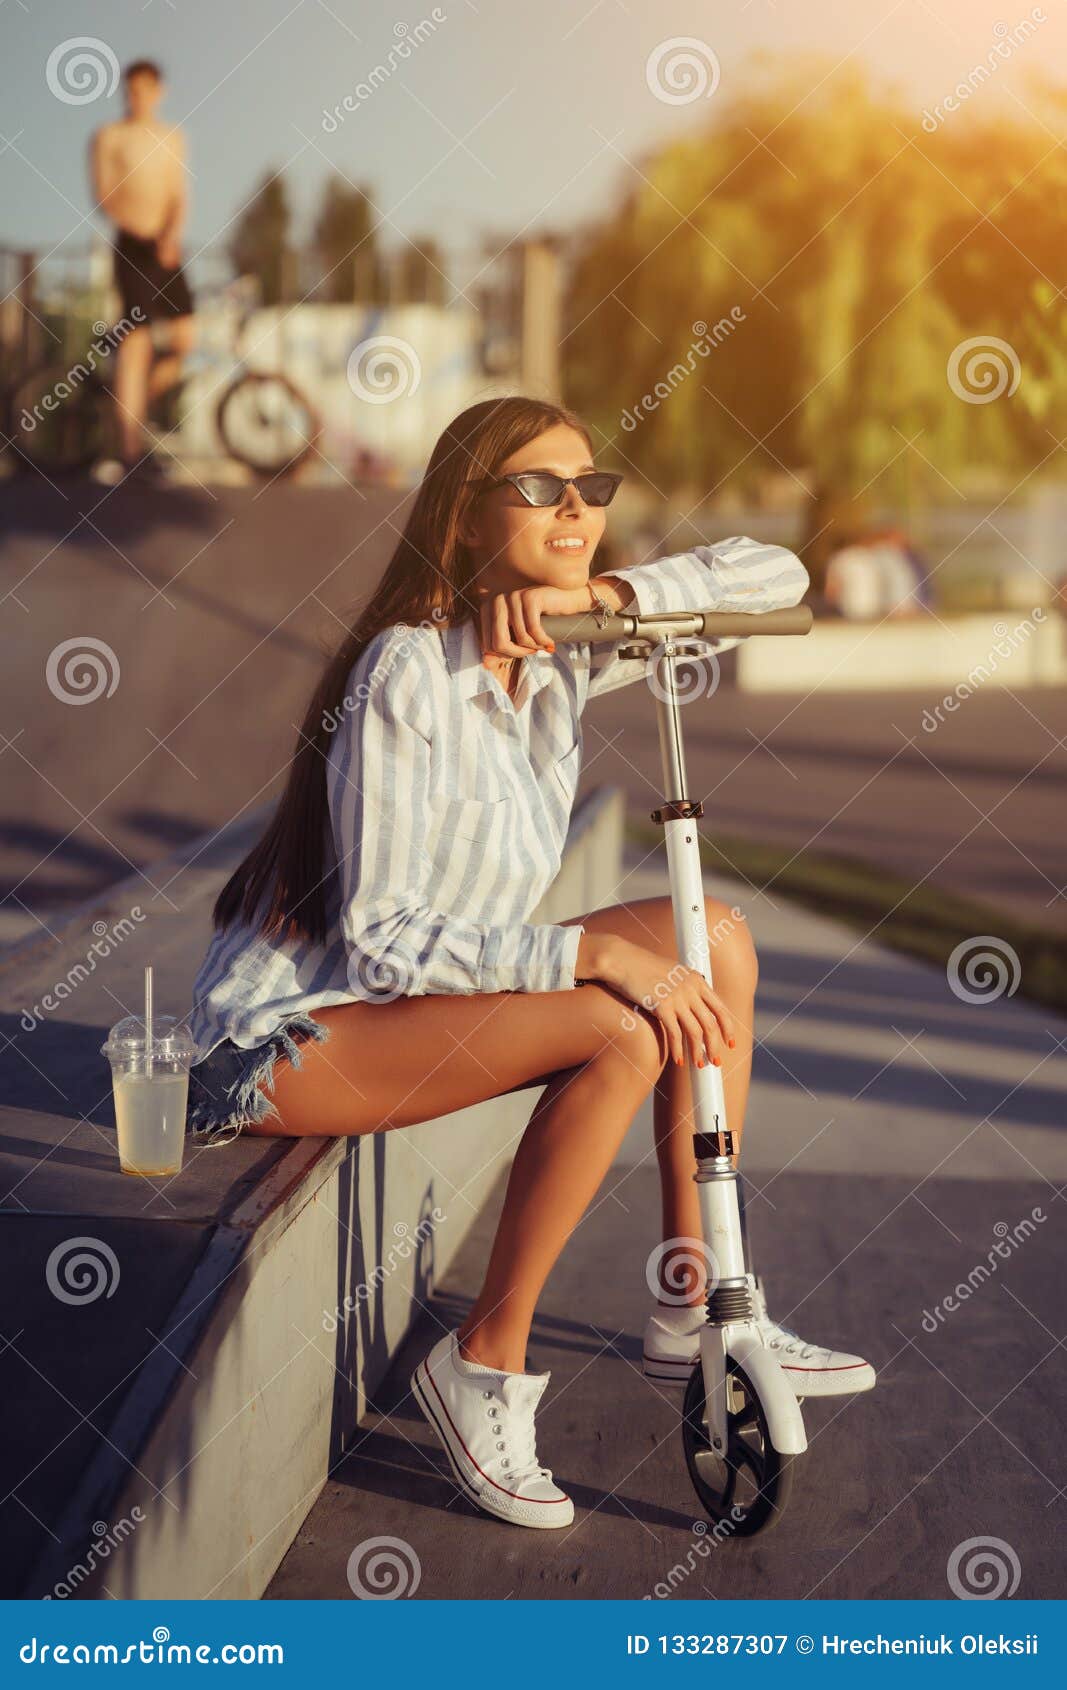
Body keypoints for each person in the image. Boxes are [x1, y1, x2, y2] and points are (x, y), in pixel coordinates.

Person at [182, 395, 876, 1531]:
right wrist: (597, 950)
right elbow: (385, 939)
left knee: (720, 945)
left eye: (590, 488)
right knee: (619, 1019)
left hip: (408, 1008)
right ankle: (483, 1364)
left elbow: (779, 576)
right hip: (286, 1039)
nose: (574, 507)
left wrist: (600, 600)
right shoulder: (408, 669)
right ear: (462, 517)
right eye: (538, 487)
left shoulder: (561, 655)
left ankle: (691, 1300)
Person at [89, 58, 194, 477]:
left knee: (185, 340)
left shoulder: (173, 138)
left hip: (165, 249)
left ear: (158, 91)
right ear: (124, 92)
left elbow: (178, 193)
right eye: (131, 90)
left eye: (146, 89)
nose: (139, 97)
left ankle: (131, 411)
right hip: (132, 247)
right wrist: (143, 232)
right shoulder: (109, 137)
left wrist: (169, 236)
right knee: (137, 345)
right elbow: (104, 197)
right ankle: (130, 453)